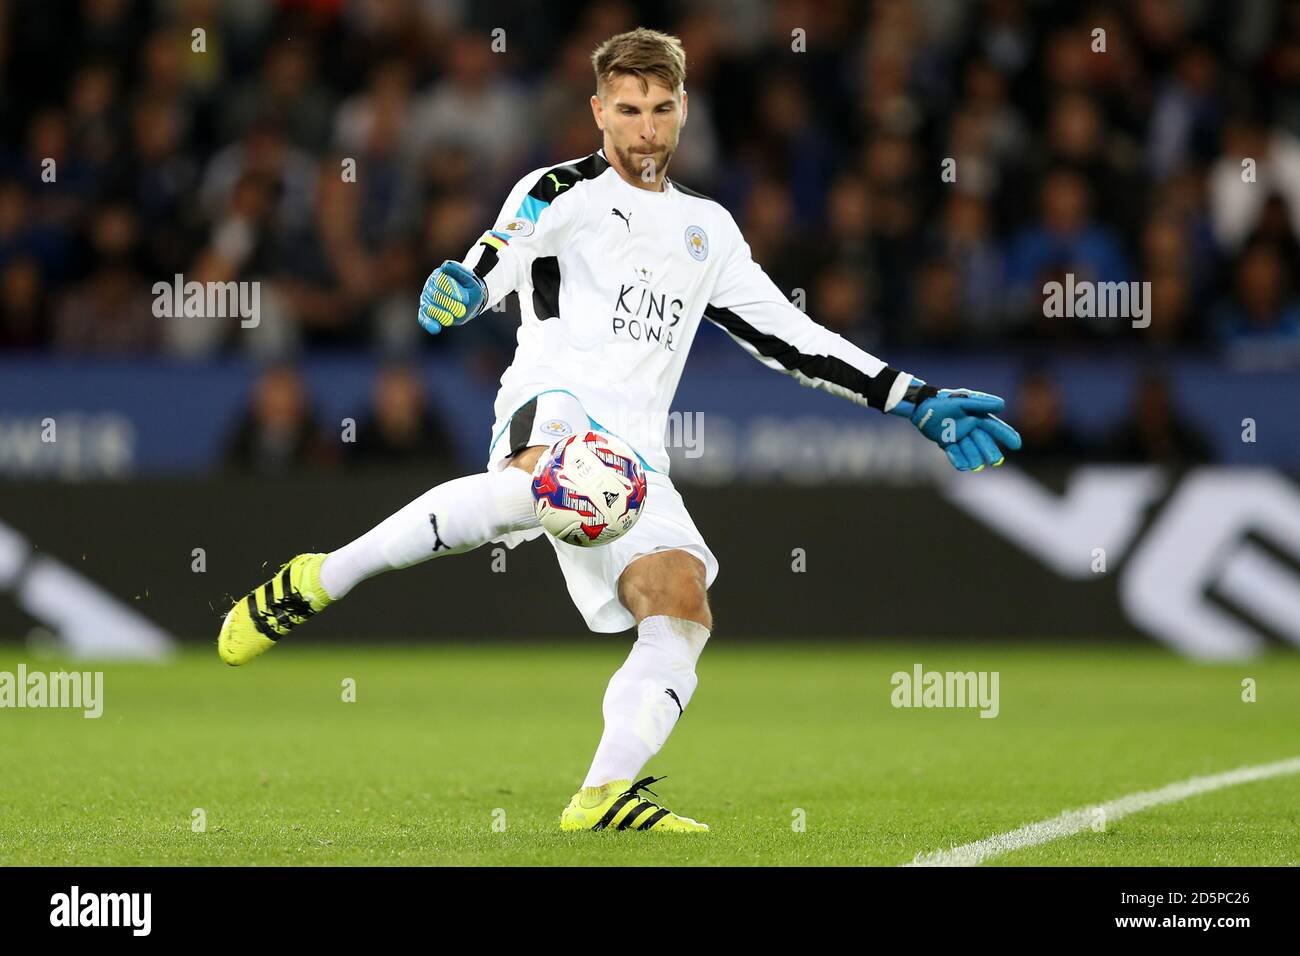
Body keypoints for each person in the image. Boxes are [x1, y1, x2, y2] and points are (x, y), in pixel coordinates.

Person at [216, 29, 1021, 832]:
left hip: (637, 458)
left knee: (682, 605)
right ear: (599, 111)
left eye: (661, 109)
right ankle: (324, 578)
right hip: (552, 397)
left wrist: (912, 397)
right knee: (541, 482)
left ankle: (603, 794)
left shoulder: (708, 232)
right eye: (628, 109)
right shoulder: (557, 189)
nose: (645, 127)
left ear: (681, 113)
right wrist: (466, 287)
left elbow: (795, 339)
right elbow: (497, 253)